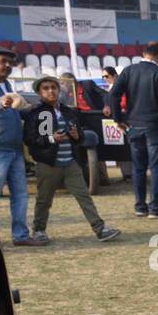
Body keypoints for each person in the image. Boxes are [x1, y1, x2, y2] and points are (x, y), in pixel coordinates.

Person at [22, 76, 120, 244]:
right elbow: (30, 139)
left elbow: (79, 135)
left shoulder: (68, 111)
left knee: (84, 197)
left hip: (70, 163)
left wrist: (77, 136)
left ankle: (100, 229)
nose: (50, 91)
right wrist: (51, 139)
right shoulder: (36, 112)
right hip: (48, 164)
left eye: (53, 87)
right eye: (45, 88)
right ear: (39, 92)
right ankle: (38, 230)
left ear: (59, 90)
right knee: (44, 200)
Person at [108, 40, 158, 218]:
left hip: (133, 125)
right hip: (155, 125)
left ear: (144, 53)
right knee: (157, 167)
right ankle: (155, 207)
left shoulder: (129, 71)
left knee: (138, 167)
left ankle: (140, 206)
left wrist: (117, 119)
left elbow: (113, 94)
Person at [0, 45, 36, 247]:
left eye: (9, 62)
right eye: (2, 61)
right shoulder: (4, 92)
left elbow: (14, 110)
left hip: (14, 150)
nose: (7, 65)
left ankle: (20, 236)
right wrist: (1, 102)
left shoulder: (7, 85)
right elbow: (4, 104)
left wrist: (30, 110)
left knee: (20, 196)